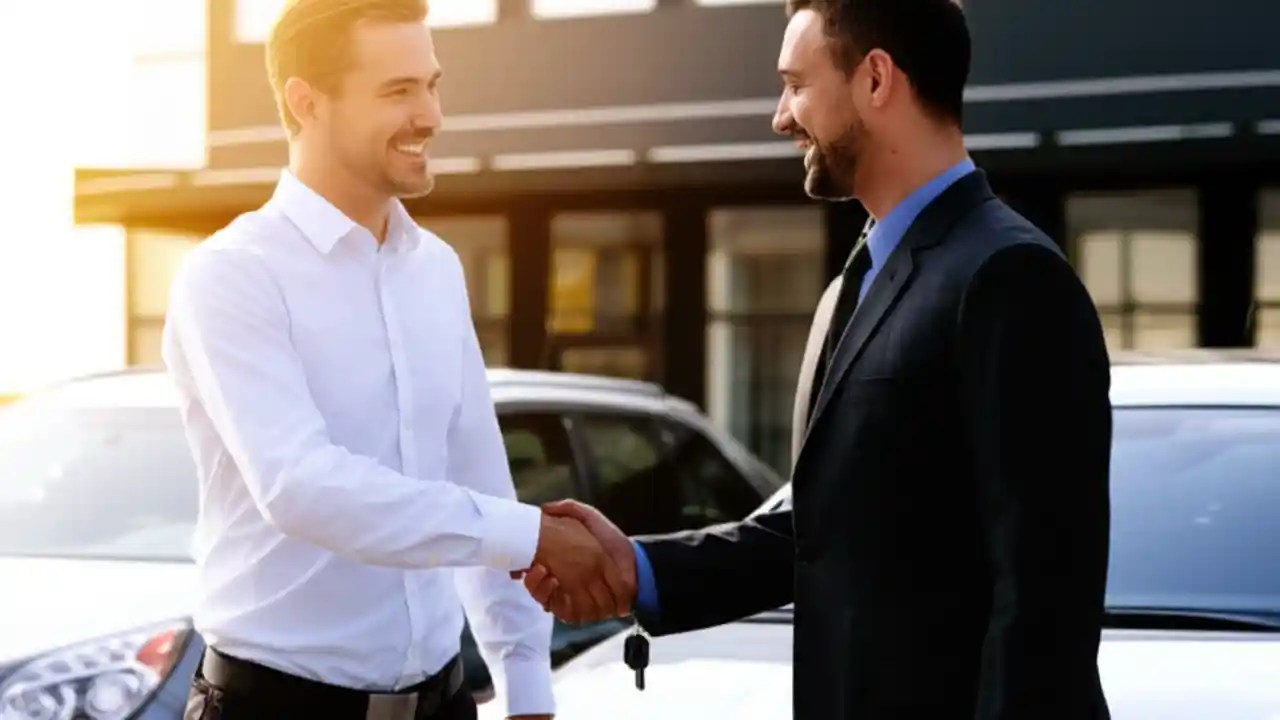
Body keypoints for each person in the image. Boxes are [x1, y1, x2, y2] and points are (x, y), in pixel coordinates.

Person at [519, 1, 1114, 718]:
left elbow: (1045, 599)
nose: (781, 117)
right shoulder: (851, 286)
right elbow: (823, 533)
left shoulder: (1011, 279)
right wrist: (636, 569)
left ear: (876, 80)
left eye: (796, 84)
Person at [162, 1, 629, 718]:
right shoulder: (232, 274)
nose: (432, 115)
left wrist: (526, 681)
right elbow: (301, 485)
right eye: (398, 90)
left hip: (444, 704)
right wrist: (535, 534)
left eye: (432, 84)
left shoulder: (436, 270)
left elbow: (477, 475)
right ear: (305, 102)